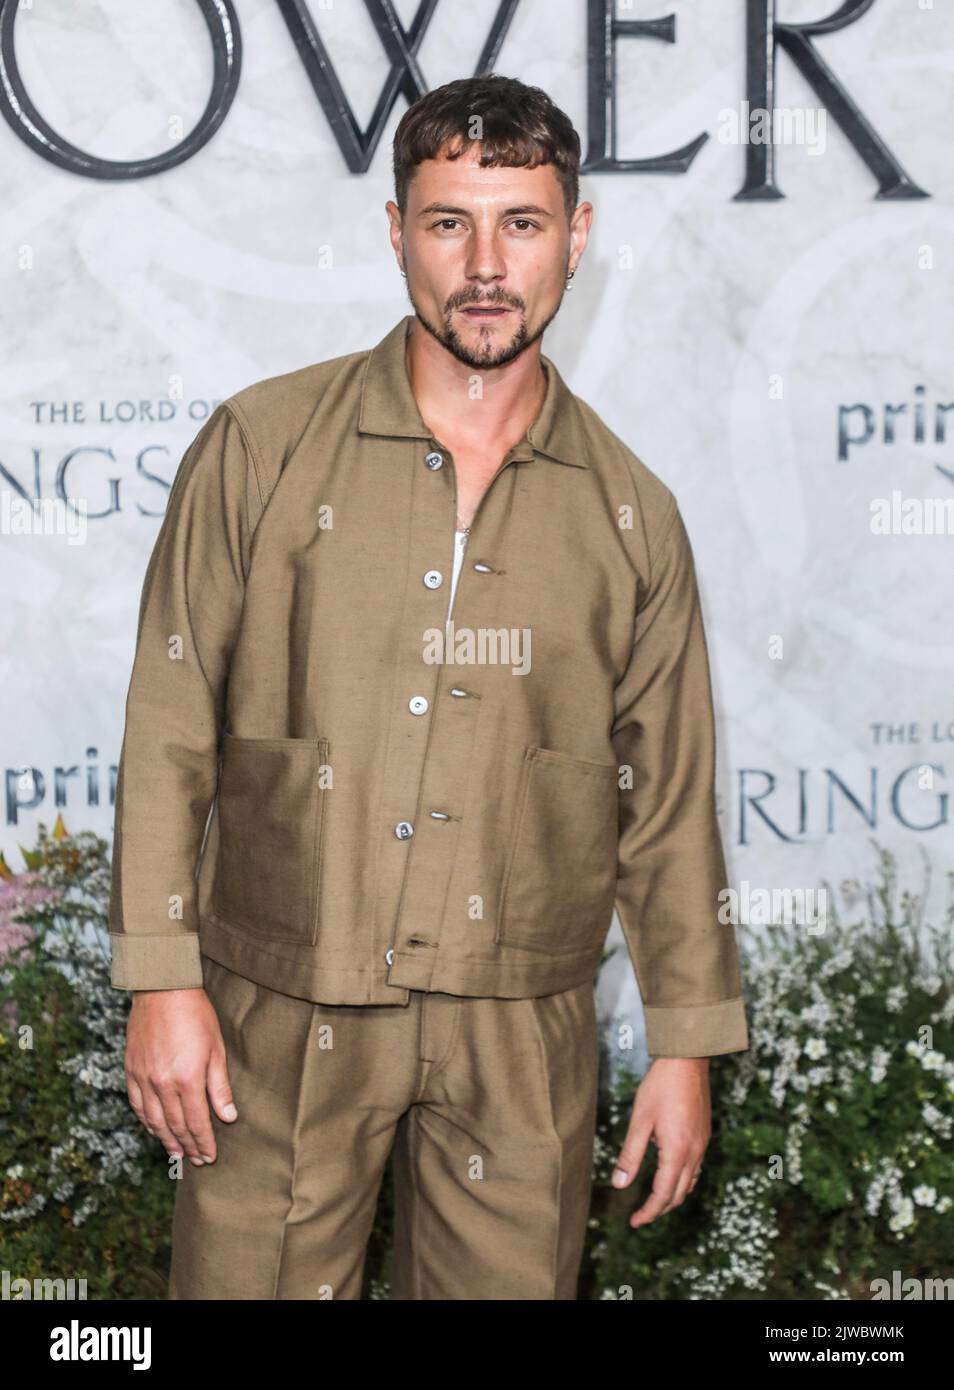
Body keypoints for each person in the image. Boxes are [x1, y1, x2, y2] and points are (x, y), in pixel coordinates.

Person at [109, 73, 749, 1301]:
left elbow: (664, 804)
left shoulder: (632, 514)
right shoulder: (261, 445)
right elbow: (169, 720)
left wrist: (685, 1044)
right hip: (281, 1004)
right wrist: (162, 976)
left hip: (522, 1027)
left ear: (579, 235)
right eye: (451, 222)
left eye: (523, 222)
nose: (487, 264)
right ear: (396, 232)